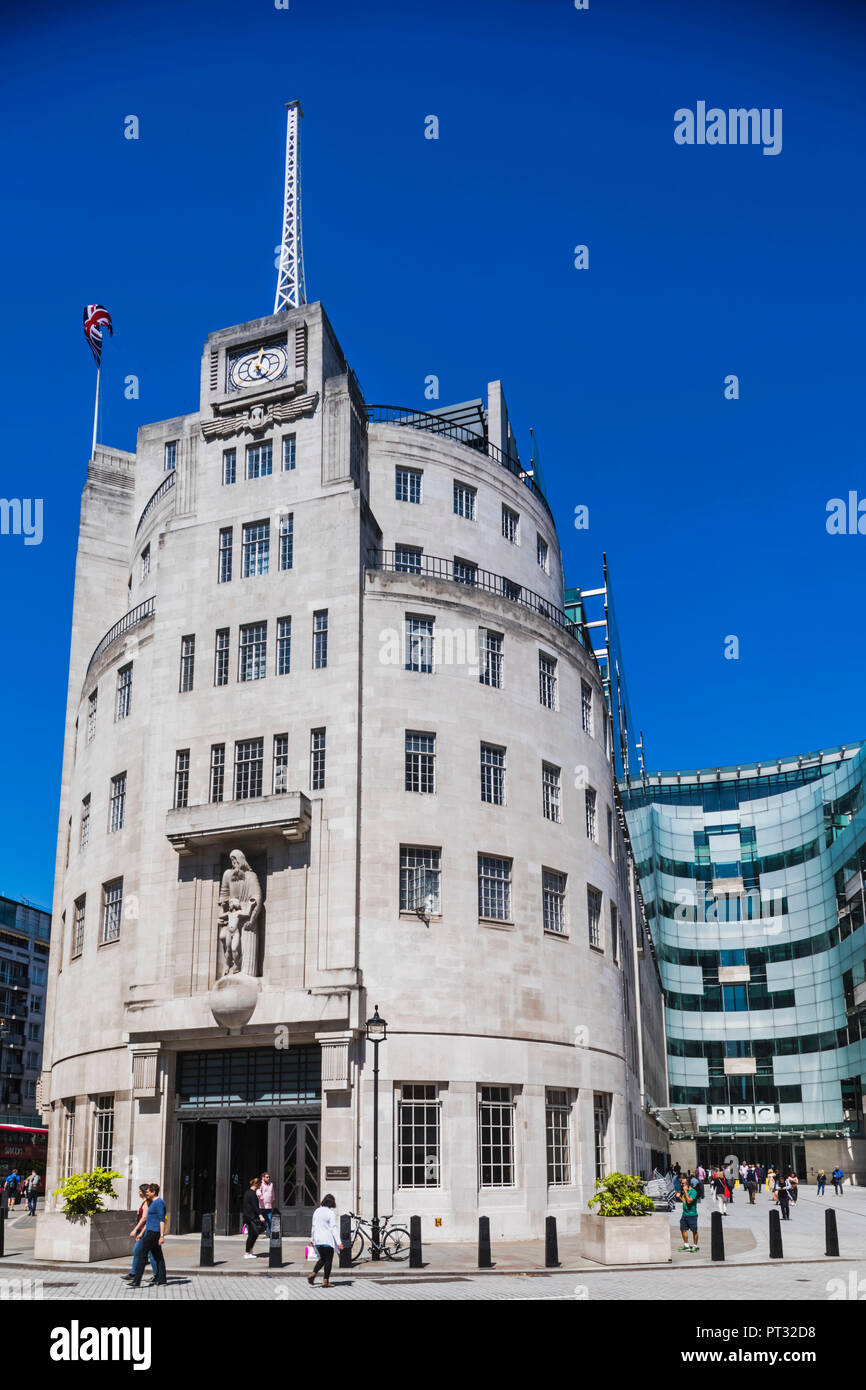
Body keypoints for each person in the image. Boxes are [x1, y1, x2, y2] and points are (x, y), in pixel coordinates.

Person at [130, 1183, 167, 1287]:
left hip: (153, 1233)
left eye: (148, 1192)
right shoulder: (153, 1202)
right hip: (150, 1231)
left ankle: (136, 1281)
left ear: (153, 1192)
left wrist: (161, 1235)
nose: (146, 1193)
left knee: (142, 1255)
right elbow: (149, 1220)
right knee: (158, 1256)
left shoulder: (159, 1203)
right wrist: (142, 1233)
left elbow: (161, 1220)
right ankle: (162, 1280)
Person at [124, 1185, 159, 1285]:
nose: (138, 1192)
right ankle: (135, 1274)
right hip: (144, 1230)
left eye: (140, 1191)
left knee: (146, 1253)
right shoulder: (146, 1202)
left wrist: (136, 1230)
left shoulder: (148, 1203)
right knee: (142, 1252)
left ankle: (139, 1275)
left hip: (146, 1231)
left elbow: (145, 1218)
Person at [308, 1193, 343, 1288]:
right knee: (328, 1261)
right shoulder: (330, 1213)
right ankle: (325, 1281)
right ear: (332, 1203)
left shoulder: (317, 1211)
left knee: (322, 1259)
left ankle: (313, 1273)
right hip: (327, 1240)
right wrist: (339, 1242)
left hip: (318, 1240)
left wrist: (312, 1239)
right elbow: (333, 1228)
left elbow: (313, 1226)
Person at [242, 1178, 266, 1258]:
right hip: (251, 1217)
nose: (261, 1186)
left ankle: (250, 1251)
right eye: (260, 1184)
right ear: (257, 1184)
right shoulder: (253, 1194)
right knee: (252, 1235)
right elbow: (255, 1206)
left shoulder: (247, 1193)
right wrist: (260, 1215)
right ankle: (247, 1253)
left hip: (248, 1216)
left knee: (253, 1234)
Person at [677, 1175, 700, 1251]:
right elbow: (685, 1201)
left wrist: (686, 1191)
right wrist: (679, 1197)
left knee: (694, 1230)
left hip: (692, 1214)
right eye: (681, 1183)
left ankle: (695, 1246)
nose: (681, 1185)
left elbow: (689, 1201)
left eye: (683, 1183)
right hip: (685, 1214)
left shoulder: (693, 1191)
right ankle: (686, 1245)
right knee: (683, 1229)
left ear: (688, 1184)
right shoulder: (684, 1191)